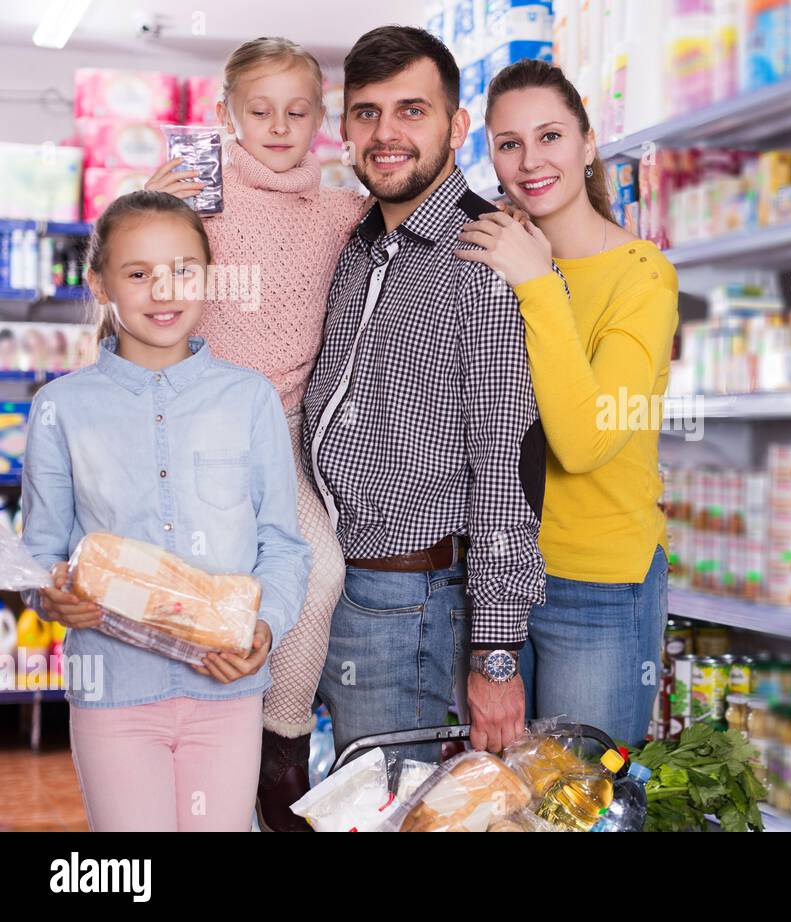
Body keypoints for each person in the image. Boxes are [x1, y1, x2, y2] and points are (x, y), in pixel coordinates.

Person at [20, 190, 311, 831]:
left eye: (183, 269)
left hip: (226, 690)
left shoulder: (249, 398)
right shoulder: (61, 408)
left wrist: (264, 628)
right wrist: (52, 594)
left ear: (209, 277)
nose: (163, 289)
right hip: (113, 692)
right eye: (138, 272)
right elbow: (40, 552)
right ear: (100, 284)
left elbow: (283, 545)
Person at [302, 26, 545, 761]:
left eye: (412, 110)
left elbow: (509, 460)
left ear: (456, 127)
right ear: (344, 128)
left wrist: (496, 652)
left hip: (415, 602)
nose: (386, 134)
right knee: (357, 800)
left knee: (401, 810)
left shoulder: (487, 255)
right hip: (335, 585)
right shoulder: (358, 248)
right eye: (366, 112)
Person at [145, 36, 369, 831]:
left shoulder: (341, 210)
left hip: (283, 440)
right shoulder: (193, 201)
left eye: (298, 111)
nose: (279, 126)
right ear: (226, 114)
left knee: (319, 573)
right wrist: (148, 211)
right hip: (195, 438)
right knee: (200, 611)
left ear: (323, 120)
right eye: (260, 110)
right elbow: (124, 305)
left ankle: (284, 751)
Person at [456, 60, 679, 744]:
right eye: (509, 143)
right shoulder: (484, 255)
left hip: (599, 586)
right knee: (493, 805)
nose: (530, 161)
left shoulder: (641, 275)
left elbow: (586, 441)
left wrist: (537, 284)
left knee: (579, 805)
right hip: (492, 578)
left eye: (550, 136)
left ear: (587, 141)